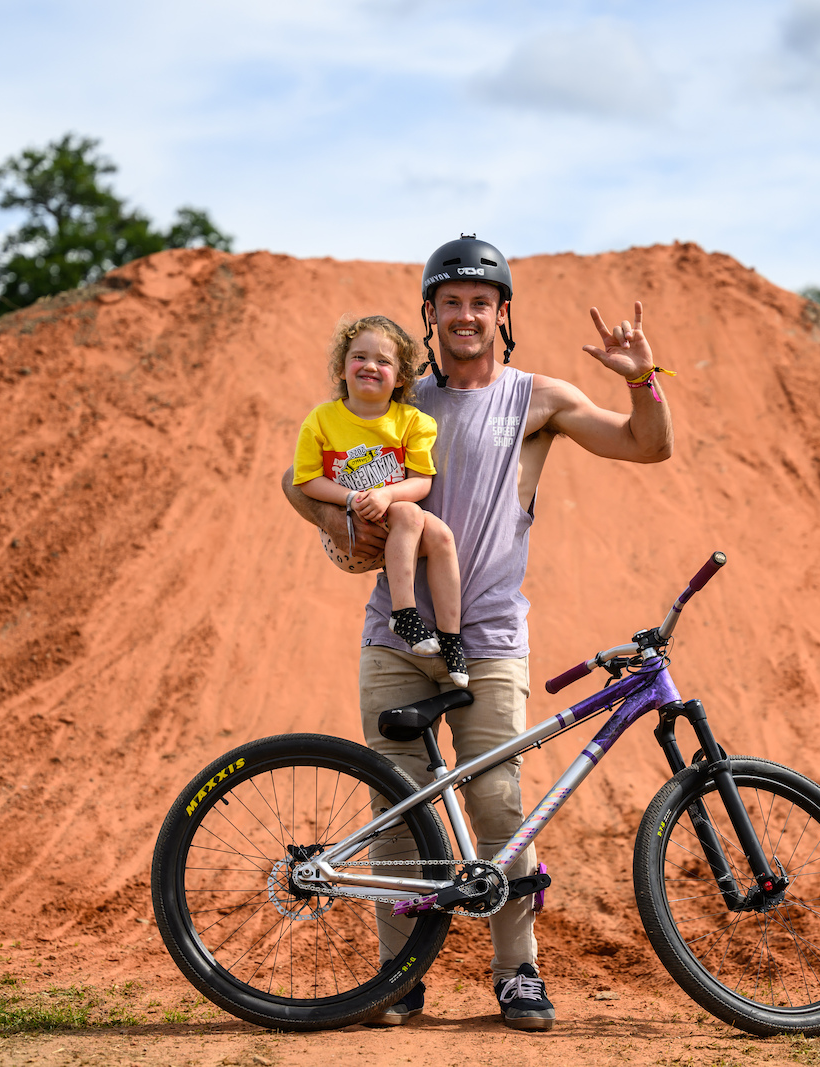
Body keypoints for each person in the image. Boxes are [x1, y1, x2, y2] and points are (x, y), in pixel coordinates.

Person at [281, 235, 673, 1031]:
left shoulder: (540, 398)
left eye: (481, 302)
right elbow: (295, 478)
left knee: (500, 806)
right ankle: (398, 975)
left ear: (502, 314)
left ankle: (516, 971)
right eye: (451, 302)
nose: (467, 315)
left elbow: (647, 445)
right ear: (428, 316)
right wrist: (335, 519)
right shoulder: (397, 404)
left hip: (490, 639)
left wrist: (641, 376)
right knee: (395, 808)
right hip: (395, 638)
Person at [291, 315, 468, 686]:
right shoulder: (321, 420)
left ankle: (451, 639)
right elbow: (306, 479)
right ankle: (403, 613)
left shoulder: (413, 421)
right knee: (407, 512)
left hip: (395, 526)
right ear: (342, 366)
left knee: (442, 537)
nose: (370, 366)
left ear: (401, 377)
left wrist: (386, 493)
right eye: (359, 357)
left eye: (384, 361)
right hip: (348, 535)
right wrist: (351, 499)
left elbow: (421, 481)